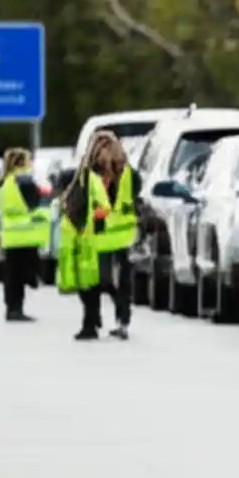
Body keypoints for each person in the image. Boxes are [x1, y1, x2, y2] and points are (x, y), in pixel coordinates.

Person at [57, 133, 112, 340]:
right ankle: (92, 320)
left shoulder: (82, 181)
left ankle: (91, 322)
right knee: (87, 287)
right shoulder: (86, 181)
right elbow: (104, 208)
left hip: (80, 242)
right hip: (81, 241)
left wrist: (88, 218)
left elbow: (103, 208)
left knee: (88, 287)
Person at [90, 130, 143, 340]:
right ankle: (119, 311)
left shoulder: (129, 175)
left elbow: (136, 199)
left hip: (124, 235)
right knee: (104, 280)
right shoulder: (93, 174)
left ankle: (123, 320)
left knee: (124, 281)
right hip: (102, 235)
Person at [0, 147, 50, 322]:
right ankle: (17, 308)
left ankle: (12, 308)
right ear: (22, 162)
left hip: (11, 236)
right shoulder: (25, 181)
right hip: (26, 235)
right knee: (22, 274)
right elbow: (37, 203)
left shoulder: (6, 182)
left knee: (12, 275)